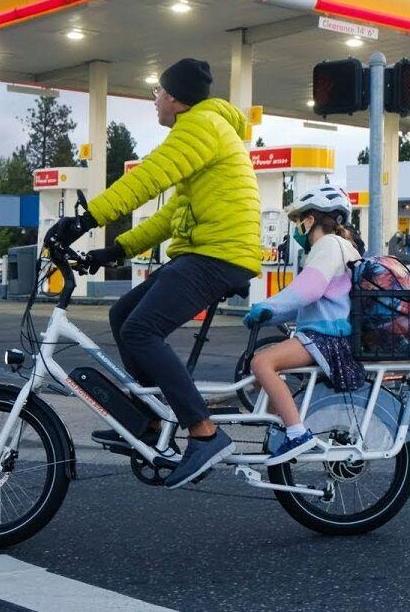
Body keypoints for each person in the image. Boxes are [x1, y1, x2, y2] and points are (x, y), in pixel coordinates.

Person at [49, 58, 261, 489]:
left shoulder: (200, 127)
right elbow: (170, 218)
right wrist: (112, 250)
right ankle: (149, 421)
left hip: (219, 254)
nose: (155, 102)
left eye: (158, 93)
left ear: (177, 99)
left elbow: (145, 179)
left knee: (141, 332)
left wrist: (84, 220)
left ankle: (203, 431)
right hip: (206, 251)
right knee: (122, 318)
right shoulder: (204, 130)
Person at [241, 186, 367, 464]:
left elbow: (306, 291)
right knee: (268, 365)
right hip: (329, 335)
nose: (297, 229)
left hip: (326, 337)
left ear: (310, 220)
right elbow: (305, 302)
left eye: (299, 221)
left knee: (262, 363)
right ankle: (282, 432)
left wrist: (266, 307)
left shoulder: (328, 246)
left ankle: (297, 434)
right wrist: (267, 316)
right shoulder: (341, 246)